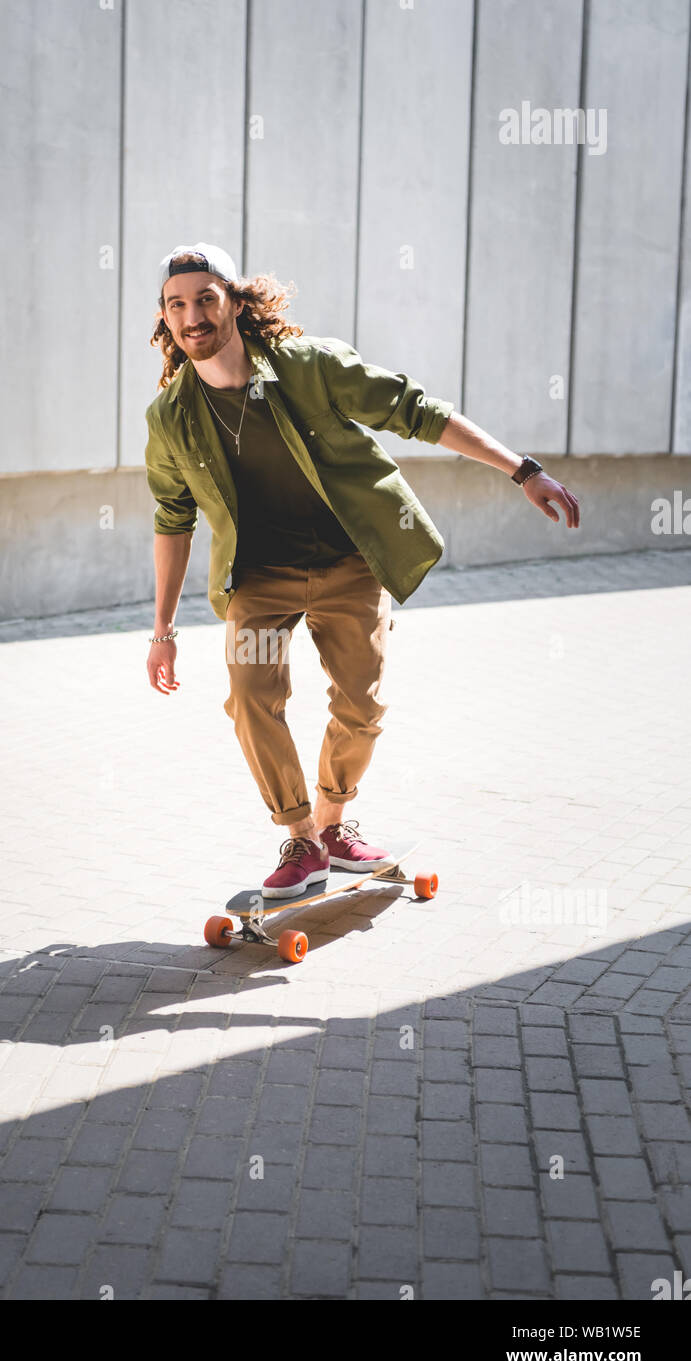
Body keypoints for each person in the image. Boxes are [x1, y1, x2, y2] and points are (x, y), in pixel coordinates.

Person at [144, 242, 580, 899]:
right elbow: (172, 520)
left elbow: (416, 411)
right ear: (166, 320)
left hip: (349, 562)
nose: (193, 315)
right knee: (249, 695)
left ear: (235, 301)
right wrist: (162, 629)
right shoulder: (170, 415)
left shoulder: (309, 367)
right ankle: (298, 837)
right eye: (177, 304)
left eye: (206, 297)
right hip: (259, 580)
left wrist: (521, 469)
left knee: (361, 706)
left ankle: (333, 824)